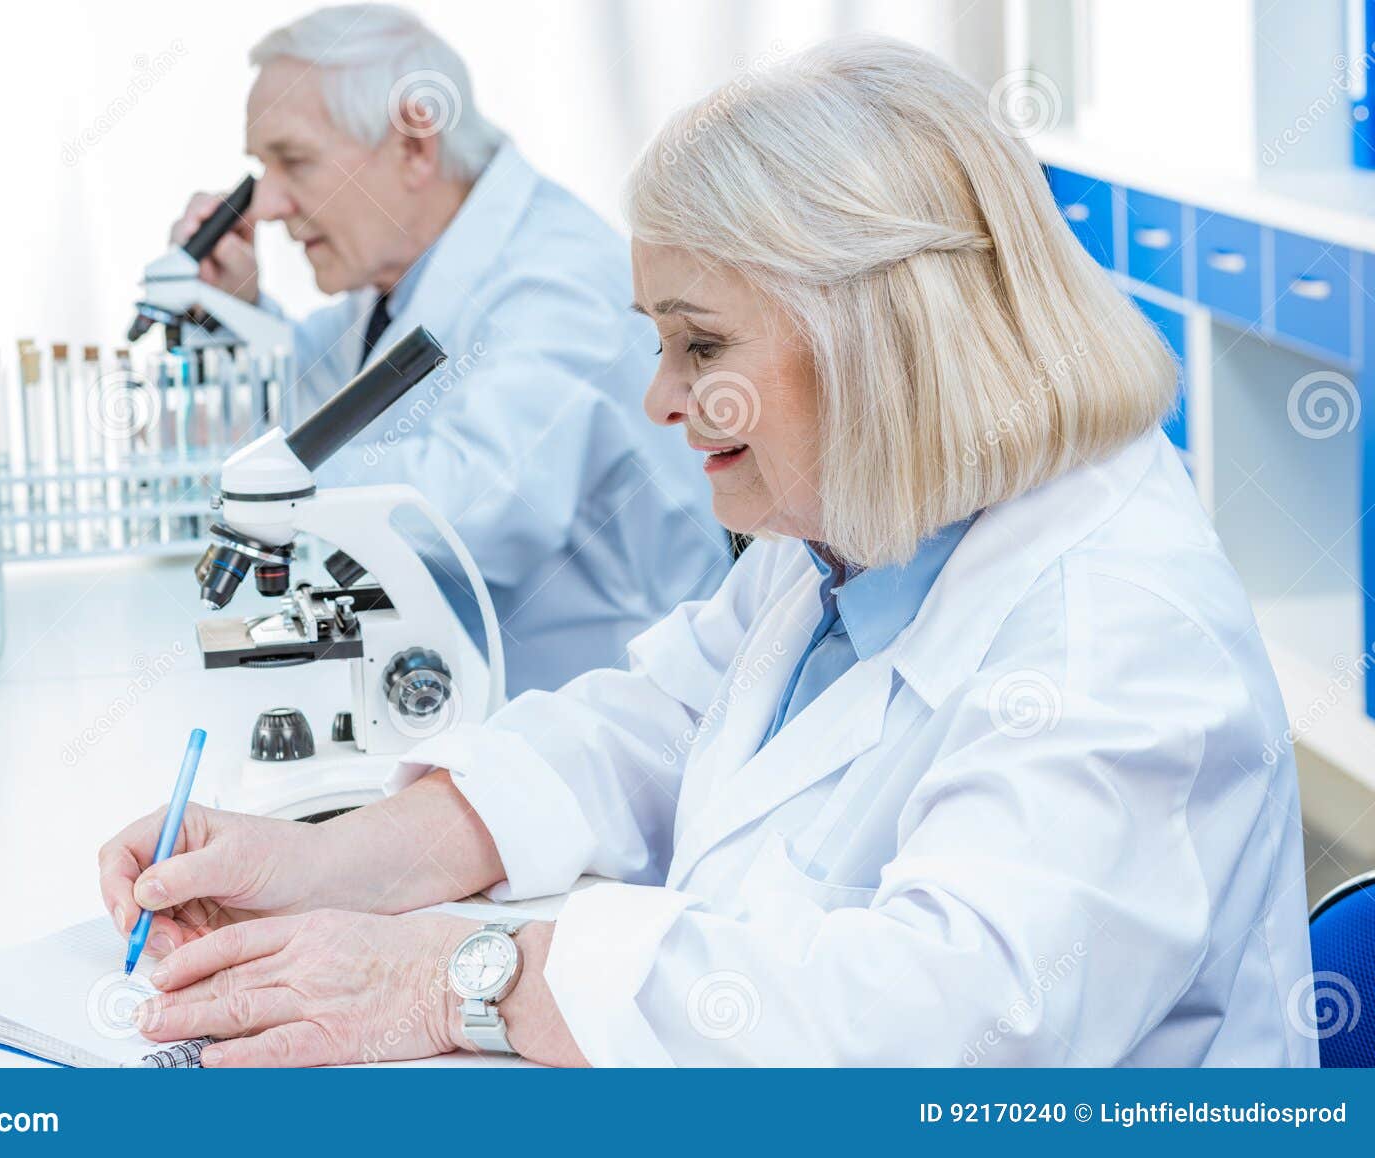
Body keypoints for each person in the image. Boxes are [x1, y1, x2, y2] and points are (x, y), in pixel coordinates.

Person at [103, 36, 1315, 1067]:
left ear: (877, 341)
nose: (658, 402)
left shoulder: (1121, 633)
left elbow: (939, 1018)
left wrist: (460, 977)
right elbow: (652, 726)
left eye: (699, 346)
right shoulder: (849, 525)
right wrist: (328, 861)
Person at [174, 4, 727, 696]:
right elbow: (316, 399)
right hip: (477, 701)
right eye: (261, 170)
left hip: (610, 719)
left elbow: (485, 506)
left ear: (414, 143)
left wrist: (273, 486)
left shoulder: (559, 277)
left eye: (294, 161)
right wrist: (238, 312)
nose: (271, 204)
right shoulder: (399, 275)